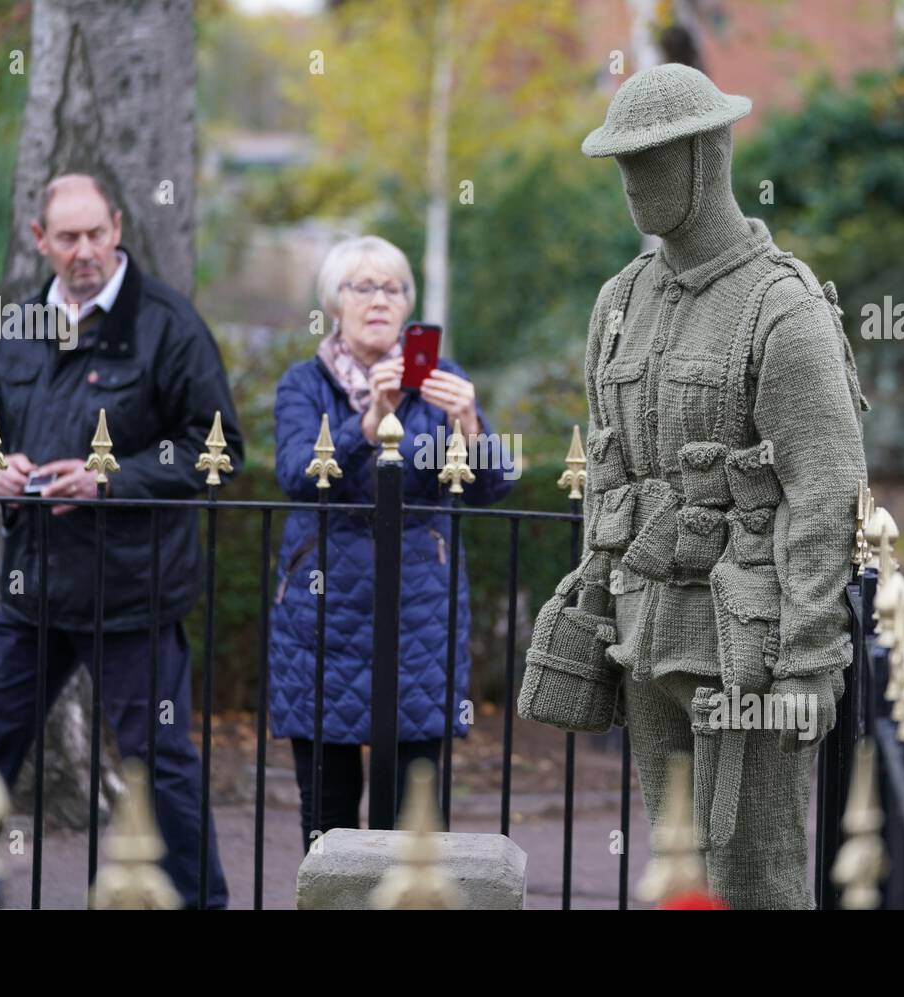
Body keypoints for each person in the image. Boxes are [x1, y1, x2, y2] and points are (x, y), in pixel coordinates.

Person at [519, 65, 869, 909]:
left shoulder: (780, 307)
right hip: (646, 637)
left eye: (650, 161)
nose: (632, 185)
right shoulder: (620, 301)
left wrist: (809, 661)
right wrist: (593, 595)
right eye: (622, 164)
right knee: (677, 877)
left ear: (707, 158)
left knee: (754, 880)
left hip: (747, 654)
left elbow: (825, 491)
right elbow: (611, 476)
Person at [0, 173, 243, 908]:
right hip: (34, 587)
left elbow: (218, 447)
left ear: (119, 227)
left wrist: (111, 480)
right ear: (41, 241)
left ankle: (199, 903)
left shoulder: (168, 322)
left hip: (132, 590)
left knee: (158, 762)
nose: (85, 250)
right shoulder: (22, 323)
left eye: (97, 232)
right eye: (67, 237)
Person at [270, 235, 514, 853]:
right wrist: (364, 427)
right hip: (322, 613)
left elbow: (490, 489)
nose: (379, 299)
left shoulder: (443, 380)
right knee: (327, 818)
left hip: (418, 612)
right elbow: (298, 475)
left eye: (393, 288)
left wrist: (471, 424)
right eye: (362, 287)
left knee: (411, 818)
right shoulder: (305, 384)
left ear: (409, 304)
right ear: (334, 303)